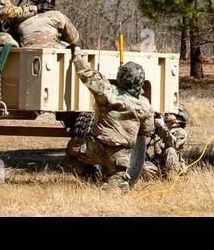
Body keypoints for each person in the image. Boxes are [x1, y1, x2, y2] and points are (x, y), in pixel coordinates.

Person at [67, 52, 173, 189]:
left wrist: (77, 54)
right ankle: (111, 180)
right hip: (119, 157)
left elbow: (86, 74)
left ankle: (89, 178)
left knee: (73, 147)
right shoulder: (145, 106)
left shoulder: (106, 92)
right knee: (116, 190)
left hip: (95, 149)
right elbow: (146, 131)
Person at [15, 0, 82, 49]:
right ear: (52, 0)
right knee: (73, 47)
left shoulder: (20, 17)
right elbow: (74, 39)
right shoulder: (58, 16)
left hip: (24, 56)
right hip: (53, 57)